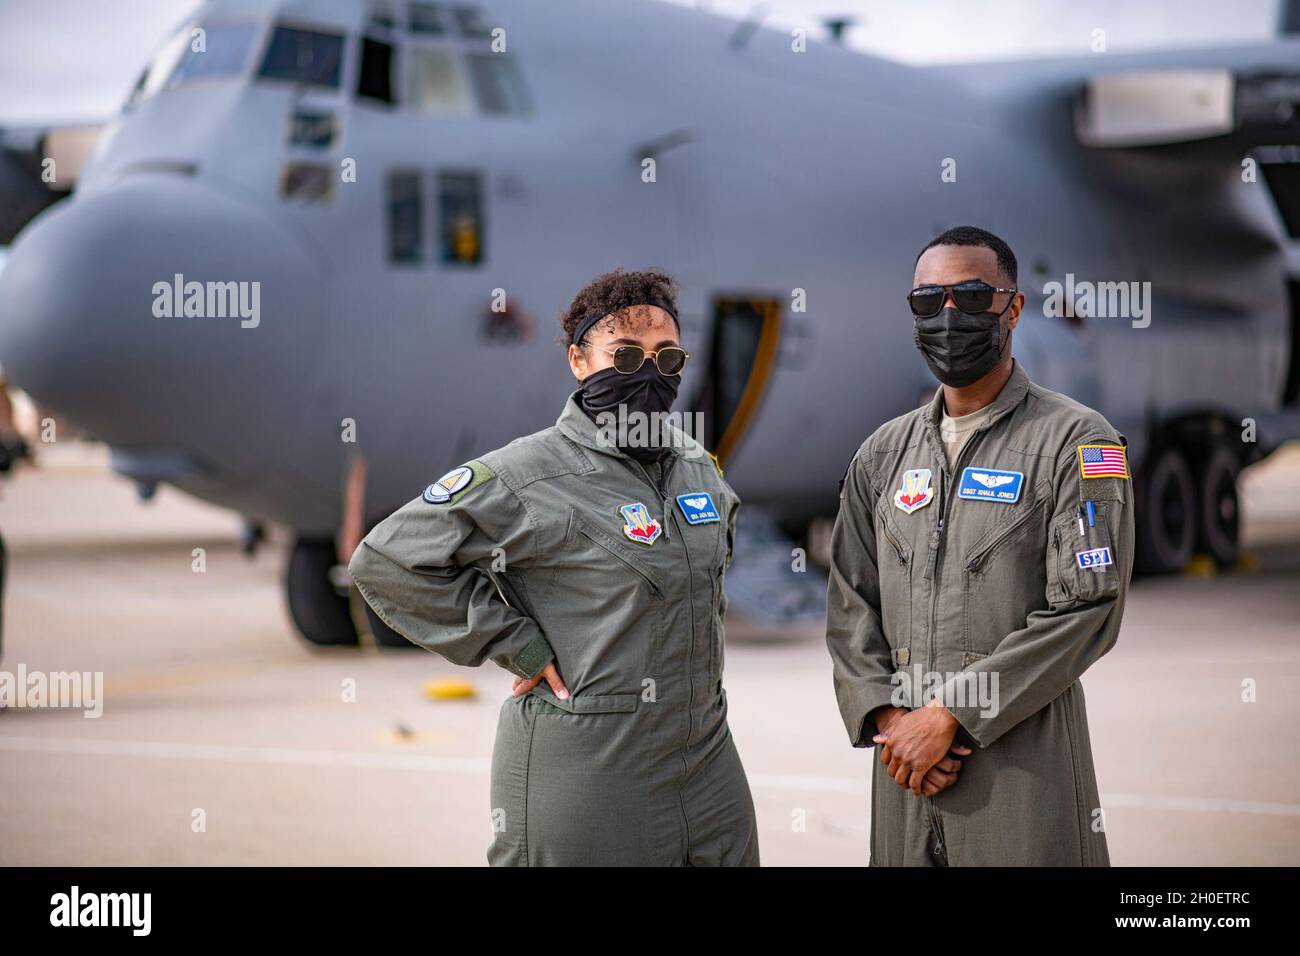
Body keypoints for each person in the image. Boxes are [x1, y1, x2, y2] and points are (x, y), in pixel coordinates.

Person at [350, 268, 759, 866]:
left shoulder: (697, 466)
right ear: (577, 360)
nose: (647, 372)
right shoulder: (528, 474)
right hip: (593, 762)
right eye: (624, 356)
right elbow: (386, 559)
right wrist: (515, 643)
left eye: (666, 357)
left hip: (706, 760)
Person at [825, 225, 1134, 866]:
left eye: (970, 298)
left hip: (1019, 771)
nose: (947, 317)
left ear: (1011, 308)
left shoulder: (1078, 443)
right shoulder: (882, 454)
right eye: (926, 302)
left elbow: (1086, 609)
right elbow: (852, 600)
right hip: (907, 773)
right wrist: (891, 723)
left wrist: (951, 717)